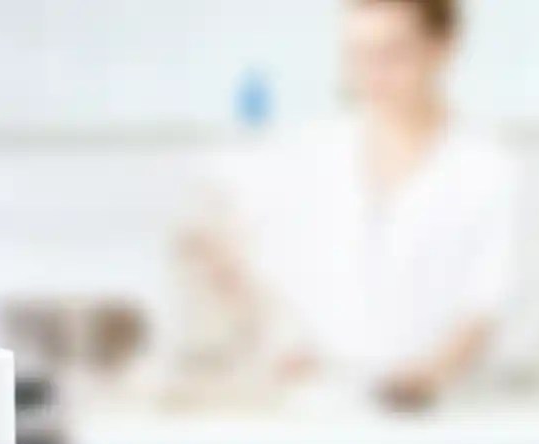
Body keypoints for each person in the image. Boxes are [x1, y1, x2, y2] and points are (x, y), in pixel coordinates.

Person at [180, 0, 517, 409]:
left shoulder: (486, 166)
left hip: (438, 414)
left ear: (442, 47)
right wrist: (272, 332)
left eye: (392, 53)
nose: (372, 74)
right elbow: (244, 256)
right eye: (357, 55)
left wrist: (428, 378)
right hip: (317, 408)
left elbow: (485, 303)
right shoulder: (312, 151)